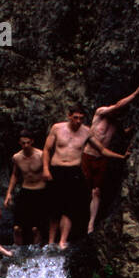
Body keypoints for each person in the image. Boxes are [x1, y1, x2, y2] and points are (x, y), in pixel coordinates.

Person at [82, 83, 139, 234]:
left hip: (101, 160)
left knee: (96, 191)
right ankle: (79, 219)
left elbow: (124, 134)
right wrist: (136, 93)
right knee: (84, 189)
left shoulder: (116, 123)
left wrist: (135, 127)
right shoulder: (101, 113)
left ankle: (91, 224)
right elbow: (103, 150)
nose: (118, 112)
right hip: (88, 156)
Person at [42, 105, 91, 248]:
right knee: (54, 208)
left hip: (74, 172)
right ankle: (51, 241)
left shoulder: (87, 132)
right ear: (69, 116)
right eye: (75, 117)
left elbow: (100, 147)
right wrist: (46, 169)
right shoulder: (57, 128)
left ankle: (63, 241)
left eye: (81, 118)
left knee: (70, 209)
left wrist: (121, 156)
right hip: (56, 170)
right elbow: (46, 149)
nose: (78, 121)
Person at [4, 131, 48, 245]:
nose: (26, 145)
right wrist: (9, 193)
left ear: (32, 142)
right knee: (17, 228)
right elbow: (15, 175)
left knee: (36, 228)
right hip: (25, 190)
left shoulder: (41, 155)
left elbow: (48, 172)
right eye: (23, 143)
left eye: (28, 143)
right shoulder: (17, 157)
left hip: (40, 191)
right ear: (20, 143)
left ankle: (37, 251)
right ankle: (17, 252)